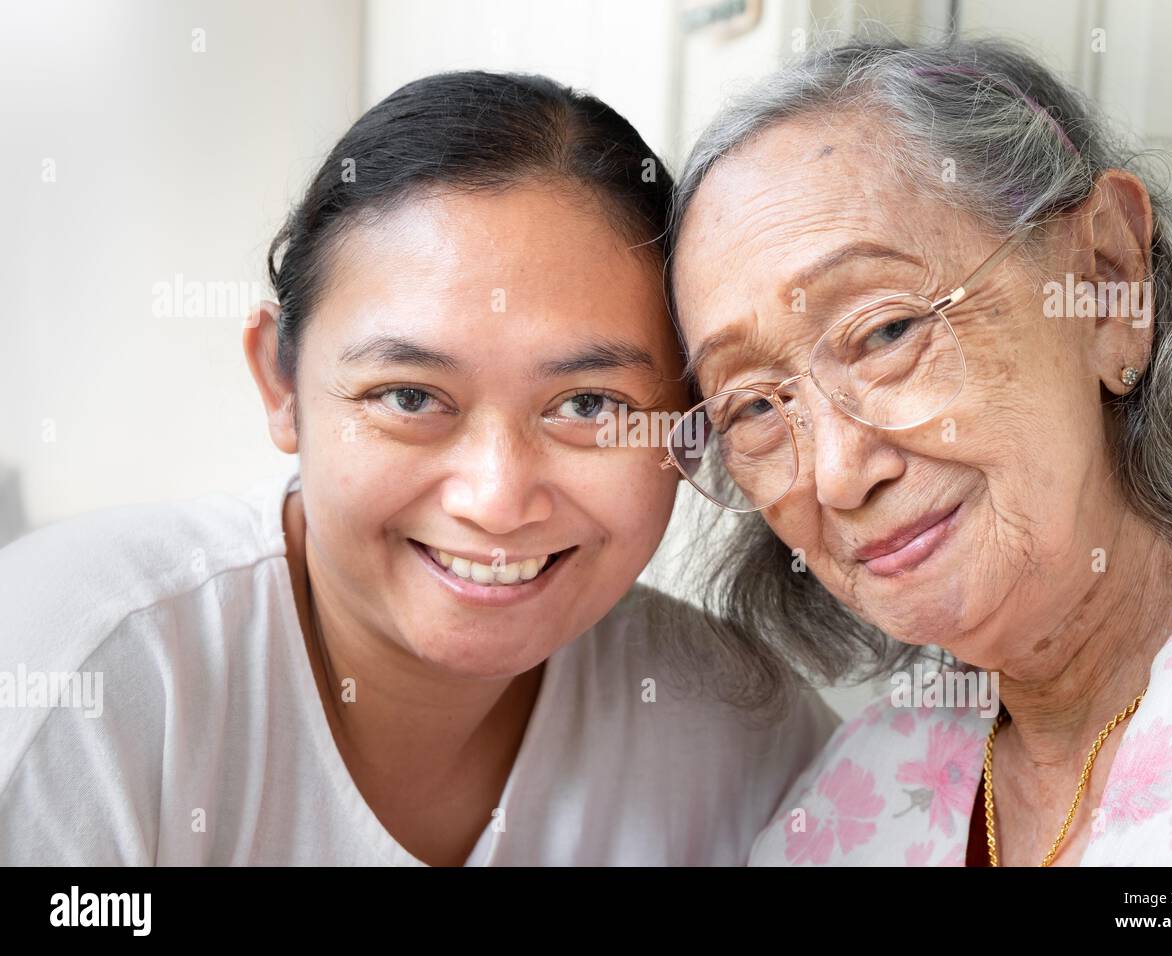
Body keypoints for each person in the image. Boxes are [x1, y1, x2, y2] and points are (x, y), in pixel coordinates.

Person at [0, 71, 838, 866]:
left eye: (589, 406)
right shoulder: (76, 677)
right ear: (282, 384)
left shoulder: (738, 728)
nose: (497, 500)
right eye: (409, 396)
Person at [663, 38, 1172, 865]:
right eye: (751, 405)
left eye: (887, 331)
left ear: (1105, 283)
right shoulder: (846, 810)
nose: (838, 474)